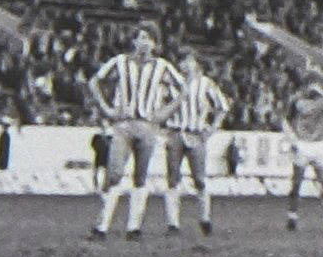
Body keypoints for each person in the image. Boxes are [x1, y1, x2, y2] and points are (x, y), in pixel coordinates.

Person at [87, 24, 184, 240]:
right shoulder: (120, 62)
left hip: (148, 126)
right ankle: (102, 226)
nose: (145, 43)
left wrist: (164, 112)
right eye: (141, 38)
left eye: (149, 39)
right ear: (134, 41)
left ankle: (134, 227)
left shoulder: (162, 66)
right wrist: (107, 108)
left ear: (155, 44)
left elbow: (183, 90)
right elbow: (94, 82)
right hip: (124, 125)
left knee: (140, 176)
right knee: (114, 174)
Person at [163, 50, 231, 235]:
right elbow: (160, 104)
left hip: (196, 134)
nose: (183, 64)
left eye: (188, 60)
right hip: (176, 132)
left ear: (196, 64)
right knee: (172, 179)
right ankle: (173, 223)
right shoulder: (172, 83)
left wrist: (212, 128)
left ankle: (204, 218)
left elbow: (223, 107)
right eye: (182, 61)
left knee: (199, 179)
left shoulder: (206, 84)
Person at [281, 62, 323, 233]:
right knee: (297, 182)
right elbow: (285, 120)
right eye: (311, 82)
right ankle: (292, 215)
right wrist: (293, 140)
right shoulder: (297, 99)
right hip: (303, 144)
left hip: (320, 144)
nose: (313, 86)